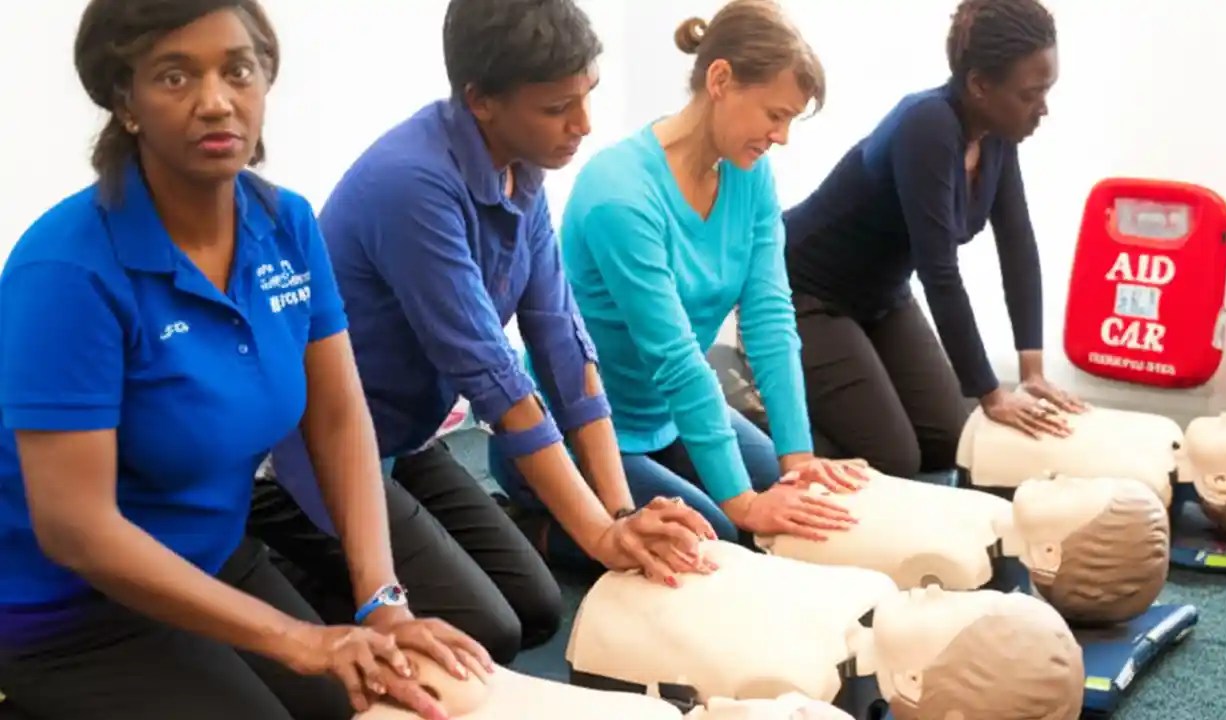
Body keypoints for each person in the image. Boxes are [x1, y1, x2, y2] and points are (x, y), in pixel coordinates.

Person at [0, 2, 492, 719]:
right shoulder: (67, 270)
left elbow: (335, 414)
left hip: (213, 556)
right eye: (174, 76)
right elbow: (78, 530)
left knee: (368, 698)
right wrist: (297, 639)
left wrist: (381, 600)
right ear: (124, 100)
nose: (215, 101)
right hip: (70, 613)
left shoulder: (284, 222)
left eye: (238, 70)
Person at [256, 0, 717, 665]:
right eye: (558, 108)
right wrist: (595, 535)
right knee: (488, 629)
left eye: (585, 98)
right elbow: (496, 379)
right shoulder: (412, 183)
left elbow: (561, 342)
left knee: (534, 608)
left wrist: (617, 513)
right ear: (481, 101)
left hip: (405, 438)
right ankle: (282, 568)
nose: (583, 126)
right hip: (319, 453)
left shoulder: (521, 169)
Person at [493, 0, 863, 554]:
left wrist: (797, 460)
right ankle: (534, 532)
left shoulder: (749, 173)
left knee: (807, 510)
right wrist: (743, 503)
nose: (781, 136)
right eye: (775, 114)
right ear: (720, 80)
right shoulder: (621, 194)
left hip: (666, 418)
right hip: (577, 436)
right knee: (721, 542)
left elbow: (769, 319)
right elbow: (676, 358)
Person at [782, 0, 1086, 478]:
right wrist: (991, 393)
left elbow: (1018, 243)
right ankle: (777, 421)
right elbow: (939, 271)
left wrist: (1032, 372)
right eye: (1031, 94)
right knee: (893, 459)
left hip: (881, 296)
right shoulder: (927, 126)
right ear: (980, 85)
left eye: (1046, 90)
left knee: (948, 441)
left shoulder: (997, 134)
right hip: (806, 294)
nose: (1042, 108)